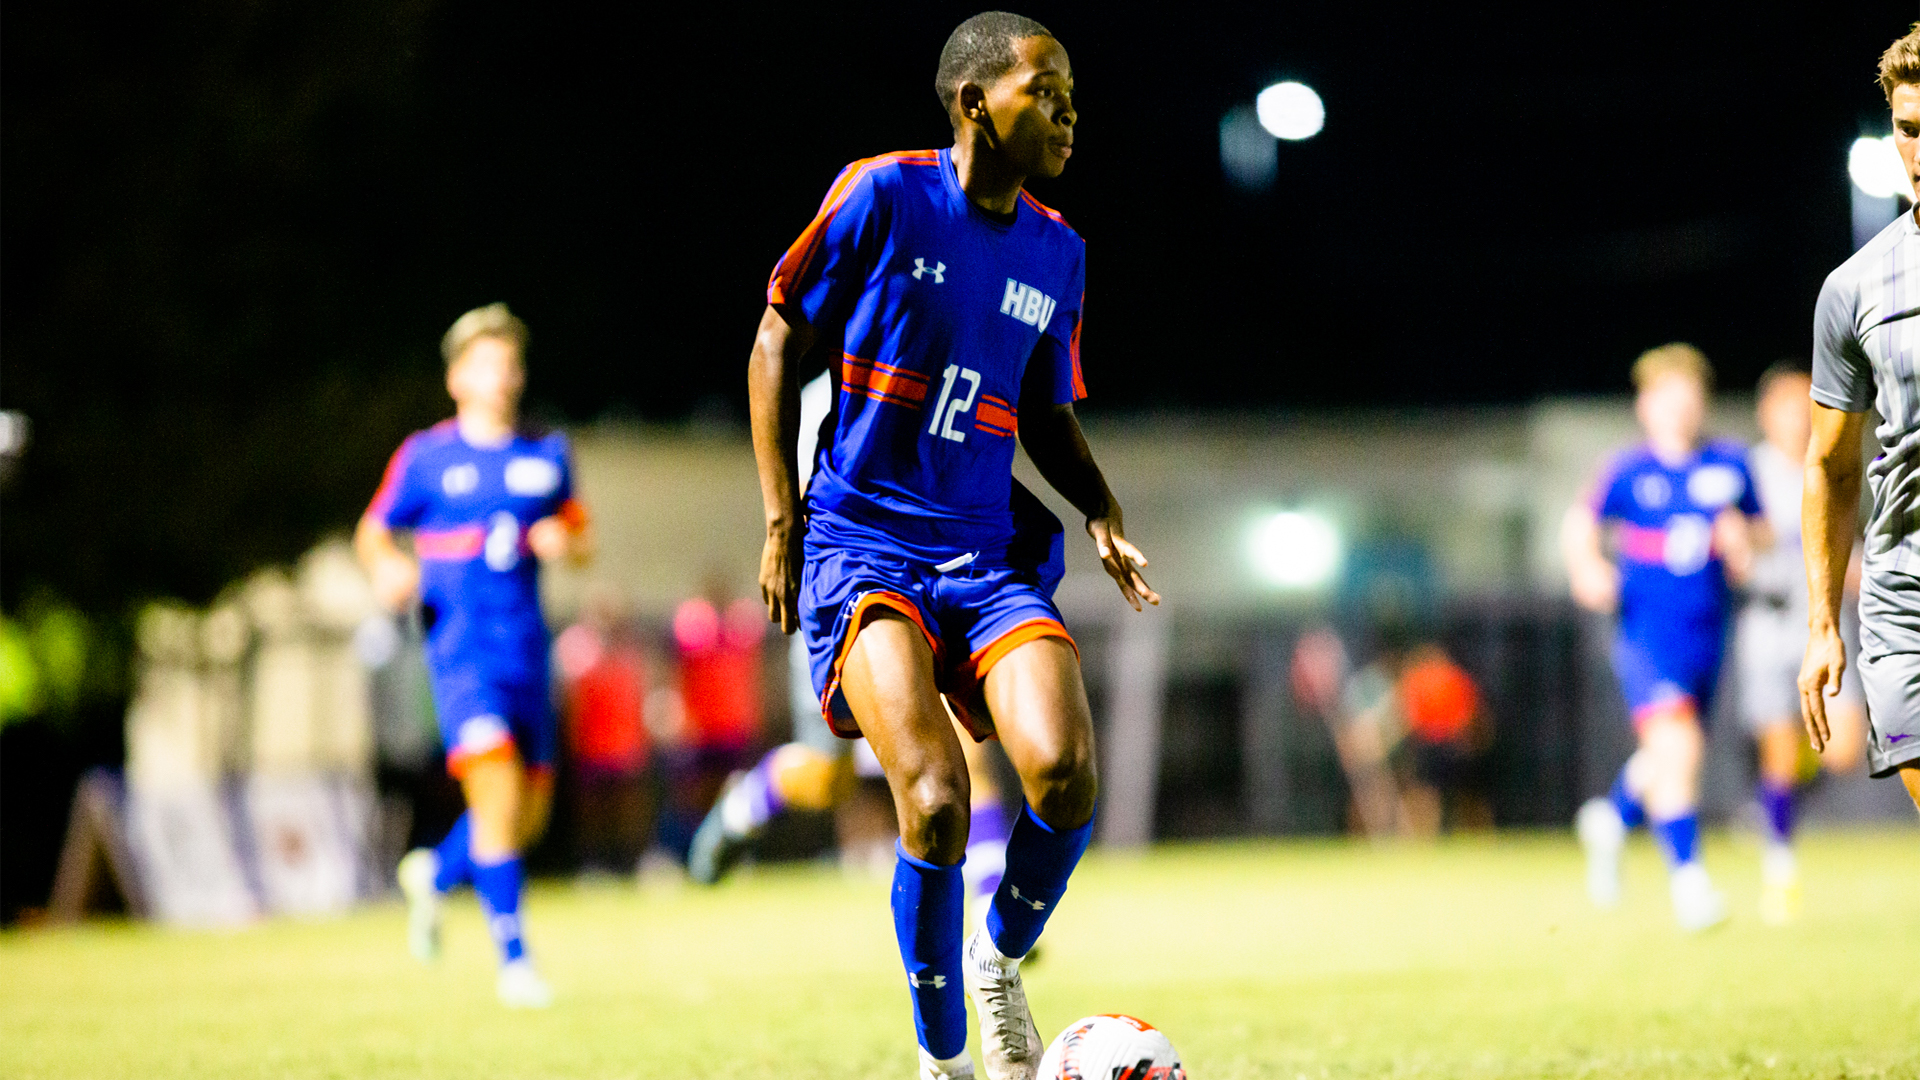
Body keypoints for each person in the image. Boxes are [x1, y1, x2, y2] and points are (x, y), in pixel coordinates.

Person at [746, 13, 1157, 1079]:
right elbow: (778, 335)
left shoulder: (1058, 251)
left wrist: (1099, 507)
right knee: (933, 802)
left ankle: (997, 958)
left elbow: (1044, 408)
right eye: (1045, 92)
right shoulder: (882, 194)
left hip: (985, 550)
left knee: (1064, 775)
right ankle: (945, 1063)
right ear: (976, 102)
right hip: (863, 543)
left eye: (1071, 98)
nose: (1068, 114)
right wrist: (783, 519)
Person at [690, 374, 1019, 933]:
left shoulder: (940, 366)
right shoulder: (820, 400)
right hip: (851, 600)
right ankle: (744, 803)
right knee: (827, 778)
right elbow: (803, 511)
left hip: (936, 584)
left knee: (968, 744)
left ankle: (994, 912)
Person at [356, 303, 593, 1008]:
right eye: (487, 363)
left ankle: (433, 875)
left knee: (524, 816)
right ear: (457, 378)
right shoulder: (427, 457)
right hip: (461, 655)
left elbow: (583, 536)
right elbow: (374, 531)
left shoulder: (547, 453)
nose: (502, 376)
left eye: (510, 363)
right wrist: (387, 568)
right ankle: (515, 961)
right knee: (496, 791)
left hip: (527, 654)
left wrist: (567, 544)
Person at [1565, 344, 1765, 932]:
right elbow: (1580, 523)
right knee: (1679, 748)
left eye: (1688, 396)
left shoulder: (1730, 464)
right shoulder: (1628, 471)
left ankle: (1612, 820)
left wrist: (1744, 539)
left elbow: (1762, 531)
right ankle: (1689, 883)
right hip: (1646, 632)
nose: (1679, 408)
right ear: (1645, 406)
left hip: (1709, 630)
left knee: (1670, 750)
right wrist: (1587, 568)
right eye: (1667, 397)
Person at [1799, 25, 1920, 817]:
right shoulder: (1854, 289)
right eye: (1908, 129)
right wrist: (1822, 624)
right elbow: (1832, 466)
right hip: (1905, 609)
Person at [1736, 362, 1868, 924]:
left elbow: (1849, 544)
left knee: (1844, 748)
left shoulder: (1832, 462)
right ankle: (1780, 864)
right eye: (1786, 407)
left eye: (1805, 406)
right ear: (1765, 413)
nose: (1796, 418)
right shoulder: (1749, 472)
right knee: (1780, 747)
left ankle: (1771, 804)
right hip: (1771, 622)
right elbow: (1734, 542)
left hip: (1826, 624)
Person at [554, 583, 653, 876]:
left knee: (628, 809)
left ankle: (629, 862)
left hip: (625, 744)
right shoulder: (574, 645)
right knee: (592, 810)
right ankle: (593, 863)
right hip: (589, 744)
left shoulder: (630, 647)